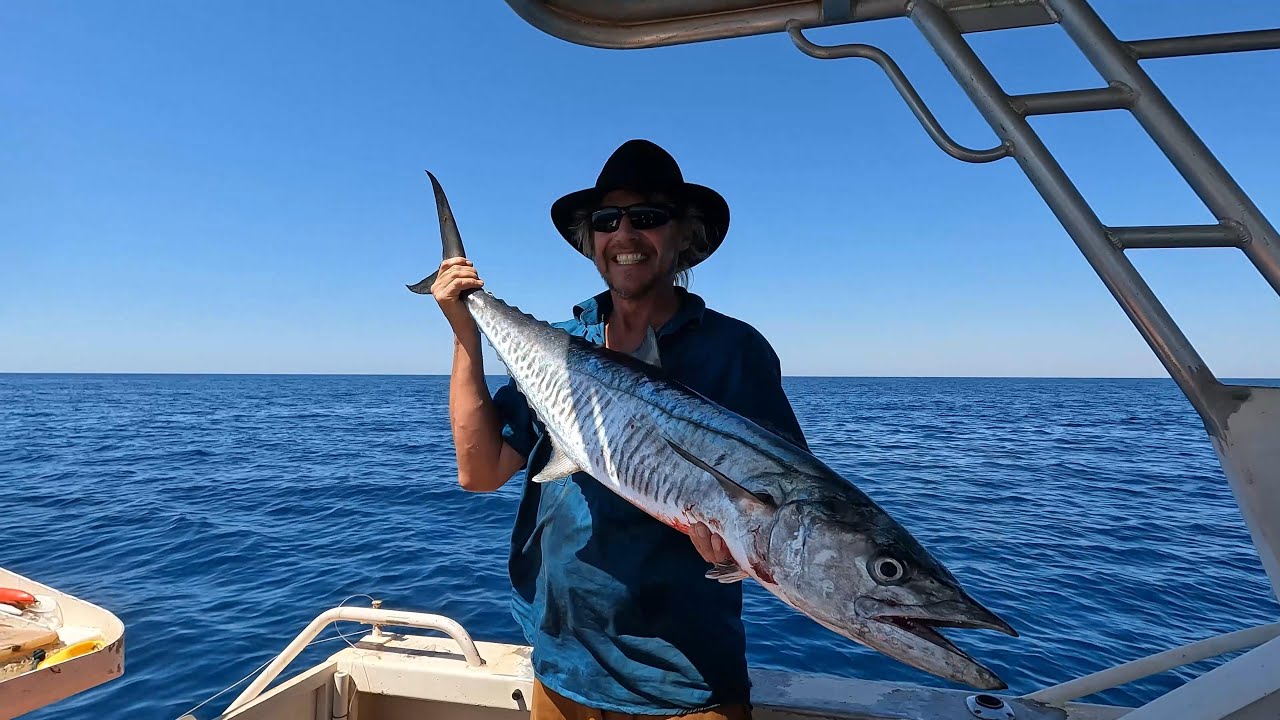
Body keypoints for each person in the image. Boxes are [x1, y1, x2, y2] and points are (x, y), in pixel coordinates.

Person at [430, 139, 807, 720]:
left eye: (648, 217)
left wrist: (733, 539)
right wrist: (465, 331)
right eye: (608, 220)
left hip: (683, 684)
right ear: (593, 240)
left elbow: (784, 510)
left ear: (684, 236)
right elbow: (479, 472)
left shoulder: (734, 351)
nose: (625, 234)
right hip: (560, 667)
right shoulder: (558, 347)